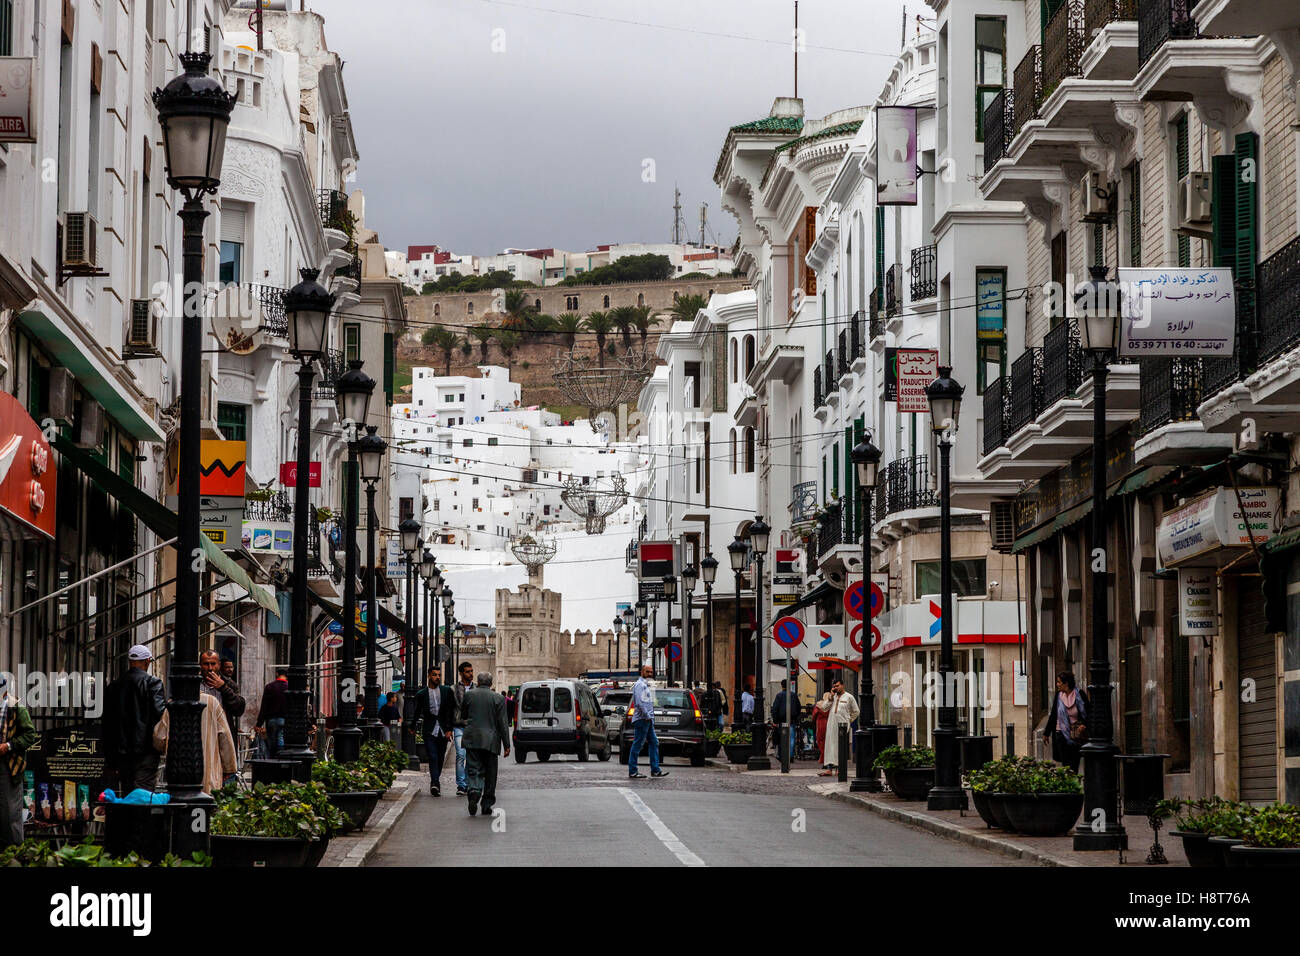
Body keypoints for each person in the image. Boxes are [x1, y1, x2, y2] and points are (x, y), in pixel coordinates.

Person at [152, 680, 238, 795]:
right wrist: (229, 768)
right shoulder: (213, 702)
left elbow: (159, 738)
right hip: (209, 777)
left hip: (179, 778)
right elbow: (225, 739)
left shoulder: (172, 705)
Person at [102, 644, 167, 792]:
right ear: (147, 661)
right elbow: (160, 713)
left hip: (121, 752)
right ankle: (139, 816)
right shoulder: (153, 683)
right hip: (146, 751)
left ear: (130, 662)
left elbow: (107, 724)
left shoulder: (114, 686)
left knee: (127, 791)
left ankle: (129, 816)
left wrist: (111, 759)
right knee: (143, 793)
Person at [461, 672, 510, 816]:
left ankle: (474, 791)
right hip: (491, 740)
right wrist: (507, 744)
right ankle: (487, 803)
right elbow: (503, 723)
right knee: (490, 773)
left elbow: (464, 715)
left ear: (478, 681)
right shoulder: (499, 698)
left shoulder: (469, 695)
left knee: (473, 768)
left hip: (472, 738)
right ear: (491, 682)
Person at [0, 674, 37, 848]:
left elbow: (30, 735)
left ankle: (14, 850)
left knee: (10, 811)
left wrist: (8, 745)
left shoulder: (15, 707)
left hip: (9, 765)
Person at [413, 666, 456, 796]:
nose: (437, 677)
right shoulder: (421, 694)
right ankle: (435, 783)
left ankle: (435, 780)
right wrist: (412, 726)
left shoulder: (446, 691)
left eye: (439, 675)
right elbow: (417, 712)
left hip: (443, 730)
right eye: (434, 675)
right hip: (429, 729)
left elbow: (451, 711)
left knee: (440, 757)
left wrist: (449, 729)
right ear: (429, 676)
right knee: (432, 756)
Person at [627, 664, 668, 780]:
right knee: (637, 744)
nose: (650, 674)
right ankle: (633, 771)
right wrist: (646, 716)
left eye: (651, 672)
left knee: (654, 743)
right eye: (647, 672)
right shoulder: (640, 685)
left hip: (647, 720)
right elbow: (639, 703)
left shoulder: (645, 685)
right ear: (642, 672)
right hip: (642, 719)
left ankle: (655, 770)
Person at [1043, 671, 1088, 773]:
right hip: (1060, 734)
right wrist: (1046, 733)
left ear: (1066, 683)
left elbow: (1088, 713)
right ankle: (1069, 785)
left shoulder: (1079, 695)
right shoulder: (1059, 696)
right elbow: (1054, 715)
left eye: (1059, 682)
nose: (1057, 684)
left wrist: (1084, 725)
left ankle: (1073, 784)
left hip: (1076, 735)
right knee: (1066, 764)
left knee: (1074, 763)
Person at [818, 678, 860, 776]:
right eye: (834, 686)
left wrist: (848, 720)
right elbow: (824, 708)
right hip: (831, 725)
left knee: (840, 747)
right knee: (830, 746)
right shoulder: (833, 697)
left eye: (837, 686)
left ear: (842, 685)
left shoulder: (849, 697)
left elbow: (856, 711)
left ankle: (839, 769)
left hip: (842, 726)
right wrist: (830, 698)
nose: (835, 688)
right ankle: (829, 768)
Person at [200, 650, 245, 739]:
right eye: (206, 664)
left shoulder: (230, 684)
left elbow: (239, 709)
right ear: (200, 665)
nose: (210, 668)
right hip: (201, 732)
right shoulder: (194, 683)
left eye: (213, 664)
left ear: (219, 665)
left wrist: (223, 688)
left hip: (221, 734)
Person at [451, 661, 475, 796]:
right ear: (461, 673)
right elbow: (450, 709)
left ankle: (466, 782)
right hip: (459, 726)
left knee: (471, 757)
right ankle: (461, 785)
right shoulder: (453, 689)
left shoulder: (476, 689)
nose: (471, 674)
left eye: (471, 671)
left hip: (472, 727)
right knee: (461, 755)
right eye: (467, 671)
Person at [254, 667, 289, 756]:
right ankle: (280, 759)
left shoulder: (269, 686)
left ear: (277, 674)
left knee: (272, 743)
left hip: (271, 720)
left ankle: (273, 760)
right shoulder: (289, 687)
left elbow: (264, 706)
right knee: (281, 739)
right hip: (284, 720)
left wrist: (259, 724)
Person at [769, 679, 799, 760]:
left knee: (782, 737)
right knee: (791, 738)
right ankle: (790, 756)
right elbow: (798, 707)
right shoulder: (794, 695)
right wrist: (796, 716)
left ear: (781, 686)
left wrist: (775, 720)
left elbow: (775, 708)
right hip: (792, 720)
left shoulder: (779, 695)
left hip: (781, 720)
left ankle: (782, 755)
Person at [811, 691, 831, 765]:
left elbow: (813, 716)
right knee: (828, 742)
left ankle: (823, 758)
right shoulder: (830, 705)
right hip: (829, 723)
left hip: (820, 724)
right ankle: (827, 759)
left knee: (820, 741)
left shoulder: (819, 705)